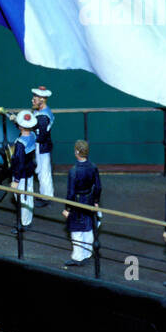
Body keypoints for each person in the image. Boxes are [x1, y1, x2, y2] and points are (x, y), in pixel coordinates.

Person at [63, 139, 101, 267]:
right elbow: (98, 186)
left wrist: (67, 209)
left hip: (77, 202)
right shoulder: (93, 167)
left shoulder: (73, 171)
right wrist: (95, 201)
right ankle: (87, 253)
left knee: (77, 230)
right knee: (88, 227)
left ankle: (78, 257)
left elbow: (71, 193)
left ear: (77, 152)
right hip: (89, 199)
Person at [10, 109, 39, 229]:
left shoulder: (20, 144)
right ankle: (27, 220)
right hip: (29, 172)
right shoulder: (32, 135)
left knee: (22, 199)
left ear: (21, 127)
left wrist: (16, 181)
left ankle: (24, 224)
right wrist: (15, 119)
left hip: (21, 175)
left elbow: (19, 164)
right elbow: (23, 127)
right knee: (29, 196)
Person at [31, 86, 55, 205]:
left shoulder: (43, 117)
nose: (32, 100)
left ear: (42, 99)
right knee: (42, 170)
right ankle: (45, 194)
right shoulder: (42, 112)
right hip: (43, 146)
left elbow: (41, 136)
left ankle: (45, 197)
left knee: (43, 171)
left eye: (35, 98)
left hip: (42, 147)